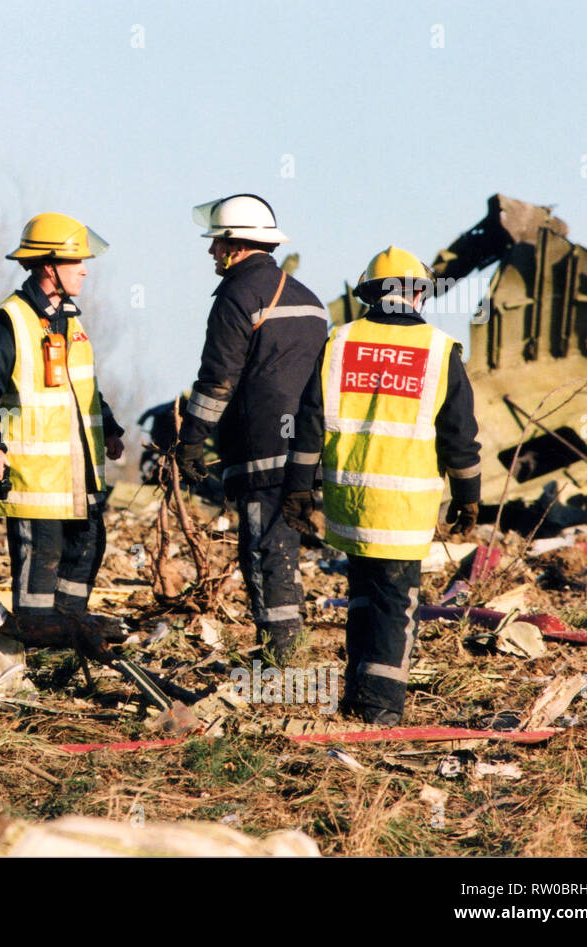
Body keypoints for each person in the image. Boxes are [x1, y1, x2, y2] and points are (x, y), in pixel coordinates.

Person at [281, 246, 481, 726]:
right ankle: (382, 708)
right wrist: (469, 498)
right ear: (419, 294)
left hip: (350, 500)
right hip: (404, 508)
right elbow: (460, 436)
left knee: (364, 595)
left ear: (368, 294)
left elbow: (308, 422)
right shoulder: (439, 350)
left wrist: (297, 488)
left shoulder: (339, 342)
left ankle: (357, 693)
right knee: (396, 605)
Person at [175, 194, 327, 664]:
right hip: (306, 451)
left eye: (217, 244)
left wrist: (191, 441)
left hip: (261, 452)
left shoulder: (238, 296)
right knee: (285, 550)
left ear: (237, 246)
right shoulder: (311, 300)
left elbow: (219, 379)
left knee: (265, 554)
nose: (211, 253)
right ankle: (287, 651)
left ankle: (280, 662)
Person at [0, 213, 124, 624]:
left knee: (86, 549)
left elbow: (83, 388)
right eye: (76, 263)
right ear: (49, 267)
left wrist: (109, 429)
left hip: (77, 479)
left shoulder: (71, 321)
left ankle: (66, 637)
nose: (85, 270)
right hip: (35, 482)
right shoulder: (9, 321)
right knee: (41, 564)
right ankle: (35, 643)